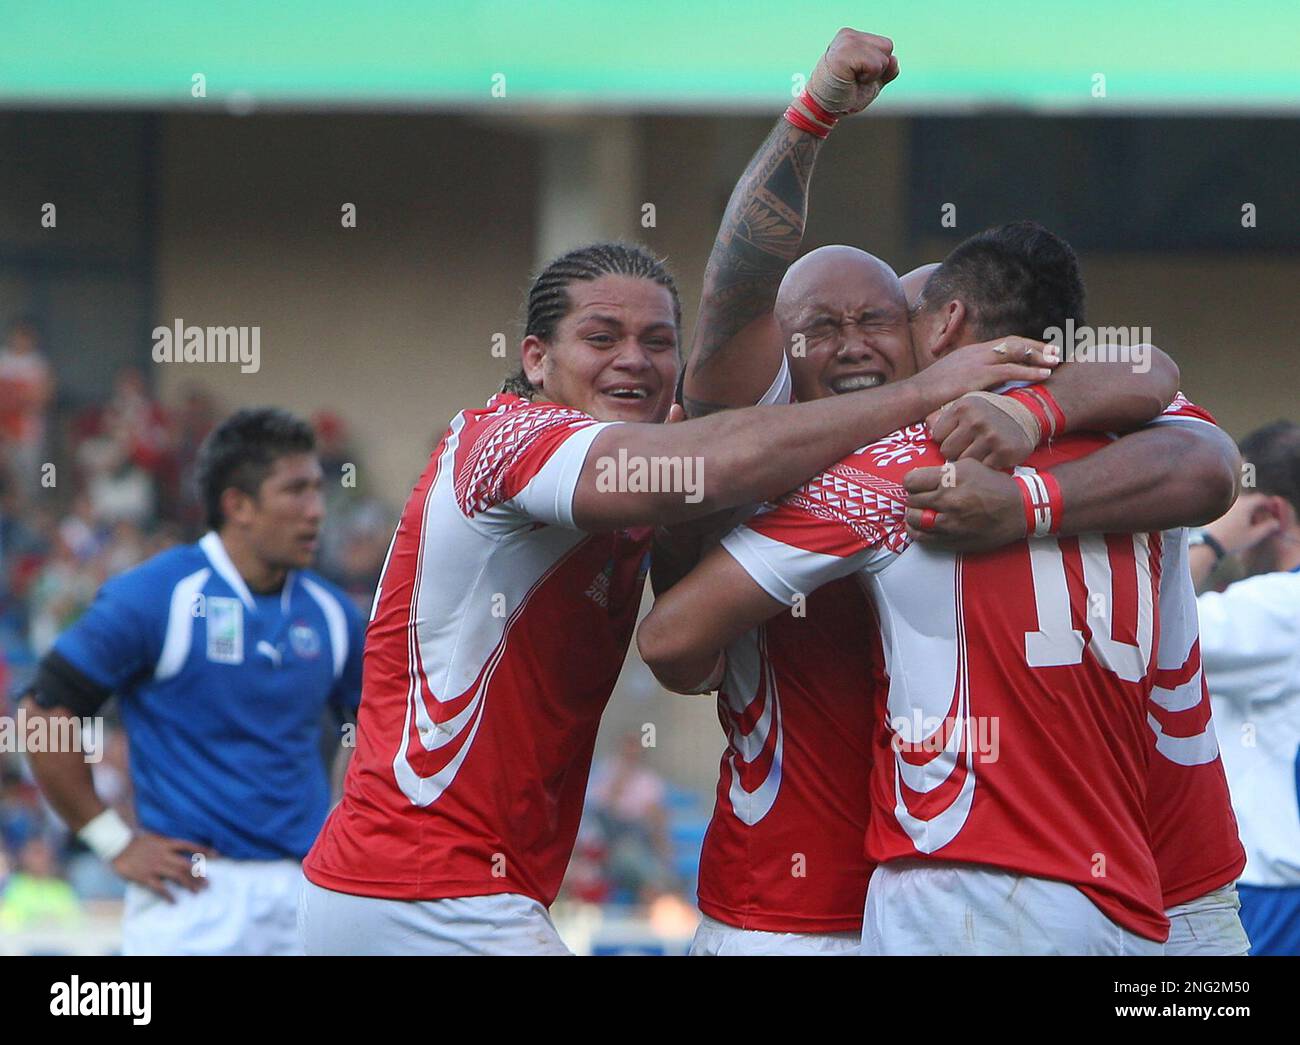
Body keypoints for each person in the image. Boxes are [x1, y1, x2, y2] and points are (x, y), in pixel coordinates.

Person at [298, 227, 1057, 953]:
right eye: (601, 339)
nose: (633, 359)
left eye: (658, 342)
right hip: (426, 893)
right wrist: (922, 393)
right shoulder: (501, 438)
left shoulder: (632, 511)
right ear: (535, 358)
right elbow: (706, 470)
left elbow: (694, 651)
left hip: (428, 889)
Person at [639, 220, 1241, 955]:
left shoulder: (894, 468)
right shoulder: (1142, 433)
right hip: (1152, 883)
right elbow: (1192, 432)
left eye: (894, 320)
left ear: (948, 323)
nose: (871, 351)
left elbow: (671, 634)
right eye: (826, 326)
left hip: (968, 883)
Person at [21, 408, 365, 955]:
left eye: (317, 491)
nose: (316, 511)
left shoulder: (333, 615)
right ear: (238, 505)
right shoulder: (157, 596)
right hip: (191, 899)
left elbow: (379, 732)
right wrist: (112, 841)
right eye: (295, 492)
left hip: (306, 894)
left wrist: (349, 836)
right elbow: (41, 716)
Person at [1189, 420, 1300, 955]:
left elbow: (1145, 623)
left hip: (1271, 887)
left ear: (1269, 513)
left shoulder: (1282, 606)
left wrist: (1210, 541)